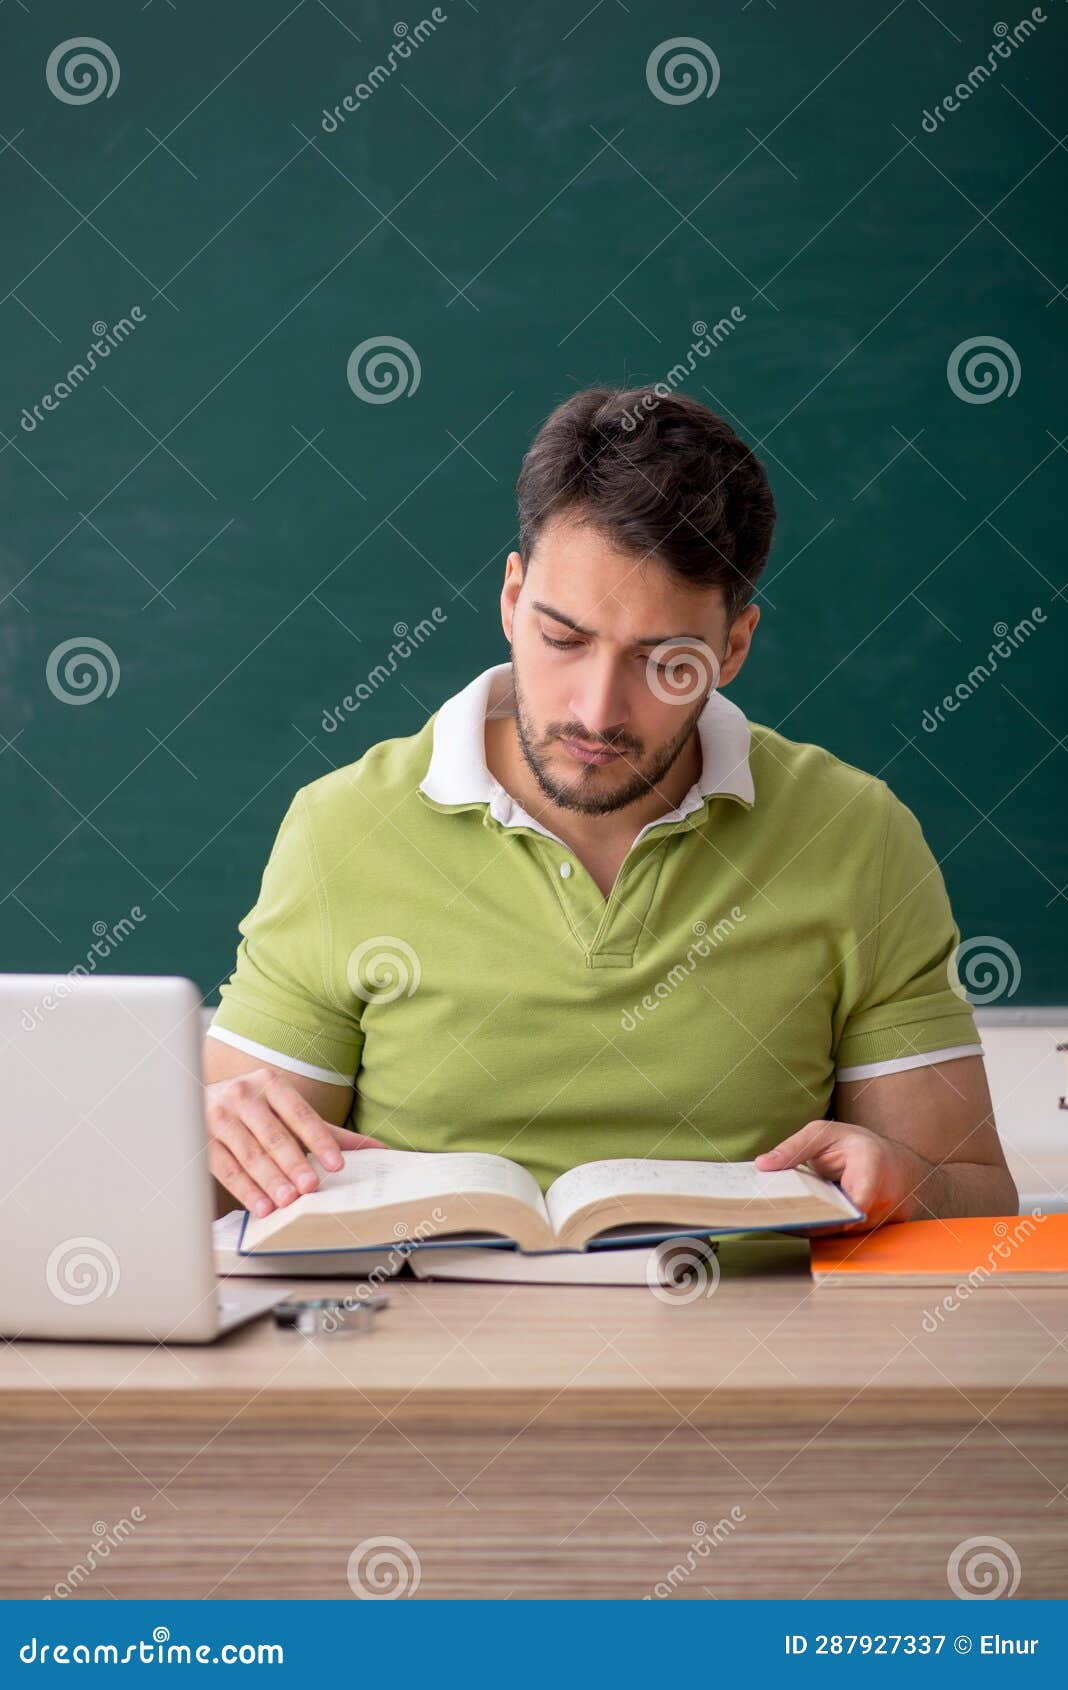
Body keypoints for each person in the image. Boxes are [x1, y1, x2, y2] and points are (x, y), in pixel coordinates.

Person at [202, 386, 1016, 1234]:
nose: (596, 713)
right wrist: (200, 1138)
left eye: (665, 663)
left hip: (745, 1317)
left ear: (734, 647)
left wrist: (906, 1186)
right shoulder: (342, 829)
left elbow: (975, 1197)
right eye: (563, 640)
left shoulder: (857, 836)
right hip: (420, 1315)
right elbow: (227, 1190)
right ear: (512, 599)